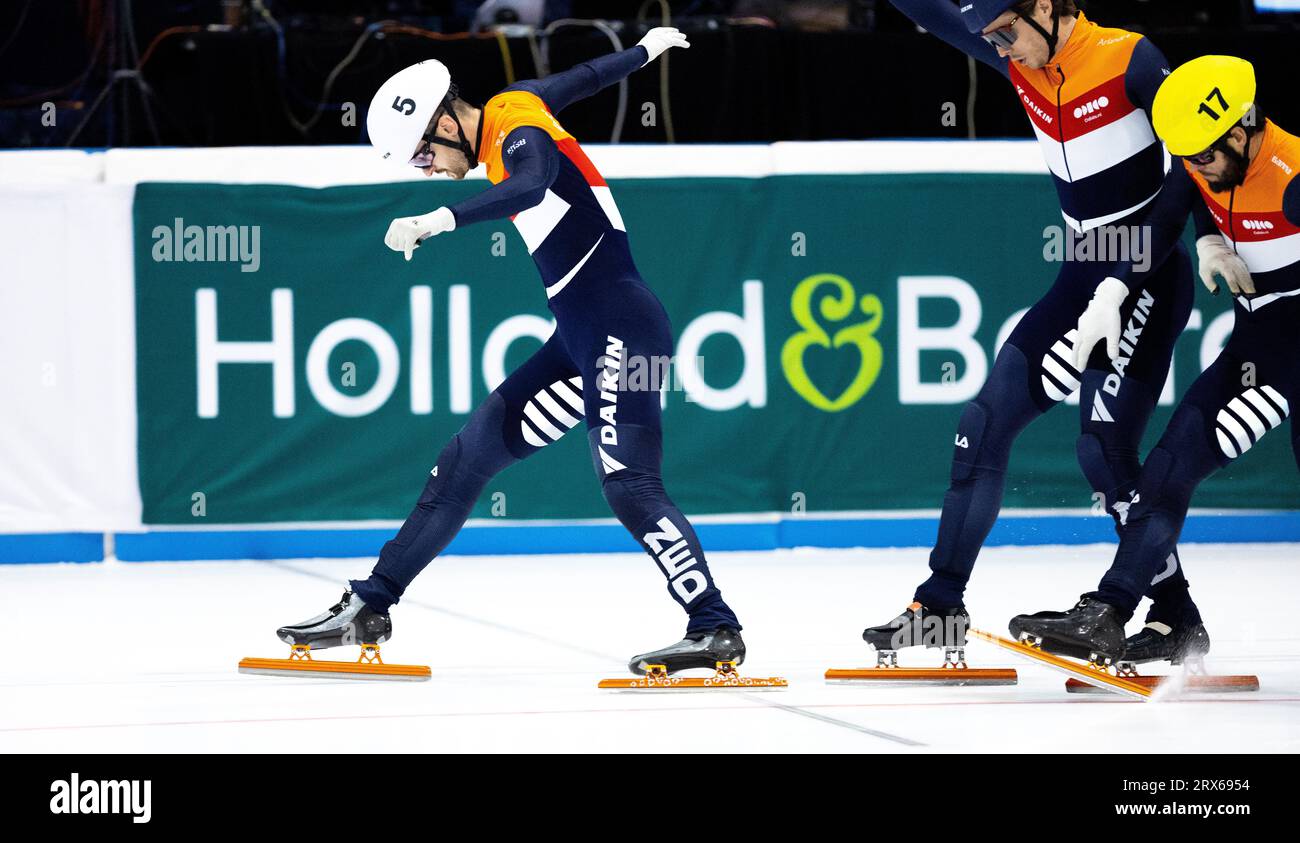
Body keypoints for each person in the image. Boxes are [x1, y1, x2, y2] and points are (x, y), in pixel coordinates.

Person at [276, 28, 748, 676]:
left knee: (631, 483)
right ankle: (371, 603)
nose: (428, 172)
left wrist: (439, 219)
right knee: (464, 459)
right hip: (581, 339)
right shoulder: (517, 104)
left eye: (421, 157)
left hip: (624, 332)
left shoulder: (515, 133)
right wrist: (642, 51)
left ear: (445, 120)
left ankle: (714, 625)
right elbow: (581, 77)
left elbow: (531, 184)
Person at [862, 0, 1199, 664]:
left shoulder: (1131, 59)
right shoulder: (1022, 55)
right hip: (1077, 282)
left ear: (1045, 6)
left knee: (1103, 451)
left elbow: (1195, 161)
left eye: (1009, 33)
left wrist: (1169, 261)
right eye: (994, 39)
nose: (1004, 50)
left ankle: (1159, 611)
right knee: (981, 425)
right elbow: (934, 16)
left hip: (1146, 280)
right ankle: (939, 605)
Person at [1011, 55, 1300, 663]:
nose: (1195, 171)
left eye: (1203, 158)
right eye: (1186, 158)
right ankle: (1116, 611)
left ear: (1242, 132)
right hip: (1259, 345)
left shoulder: (1294, 176)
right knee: (1169, 467)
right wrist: (1112, 293)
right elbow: (1162, 219)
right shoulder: (1204, 161)